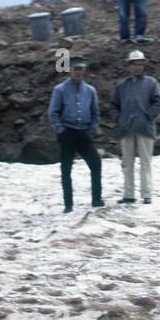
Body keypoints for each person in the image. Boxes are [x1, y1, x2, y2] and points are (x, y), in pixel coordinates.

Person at [48, 57, 103, 213]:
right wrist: (60, 129)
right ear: (70, 70)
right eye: (75, 69)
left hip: (84, 133)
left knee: (96, 163)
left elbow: (95, 113)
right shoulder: (60, 89)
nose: (78, 72)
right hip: (68, 132)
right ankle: (68, 203)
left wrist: (92, 129)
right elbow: (53, 112)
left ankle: (97, 199)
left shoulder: (90, 90)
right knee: (66, 169)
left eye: (81, 69)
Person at [110, 49, 160, 205]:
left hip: (144, 128)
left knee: (145, 162)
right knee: (127, 163)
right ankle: (128, 194)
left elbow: (158, 103)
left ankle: (146, 194)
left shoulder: (151, 83)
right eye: (135, 64)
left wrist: (148, 116)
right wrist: (119, 119)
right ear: (128, 66)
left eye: (141, 64)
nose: (138, 67)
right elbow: (114, 105)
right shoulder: (121, 86)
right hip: (126, 128)